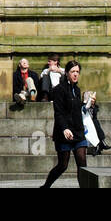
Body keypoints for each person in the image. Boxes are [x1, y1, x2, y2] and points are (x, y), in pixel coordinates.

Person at [41, 60, 89, 188]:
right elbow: (59, 112)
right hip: (64, 133)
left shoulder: (77, 90)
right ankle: (46, 186)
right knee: (62, 165)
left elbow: (77, 110)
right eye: (73, 71)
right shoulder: (59, 90)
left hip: (78, 131)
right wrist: (64, 128)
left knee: (82, 164)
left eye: (77, 72)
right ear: (66, 73)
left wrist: (87, 104)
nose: (75, 74)